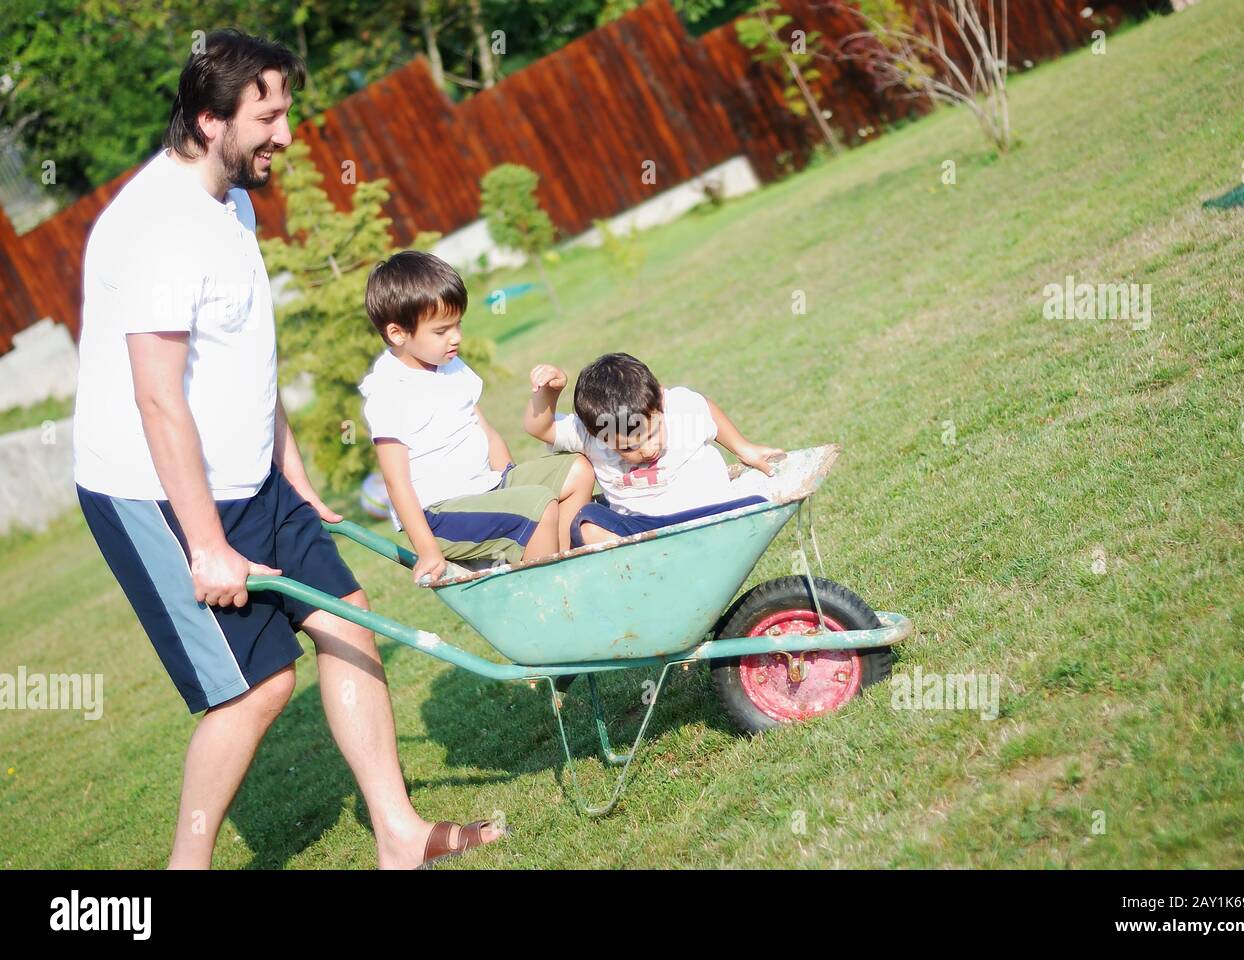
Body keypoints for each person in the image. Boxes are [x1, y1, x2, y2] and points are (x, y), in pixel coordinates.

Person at [72, 30, 503, 869]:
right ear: (207, 119)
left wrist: (292, 470)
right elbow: (158, 397)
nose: (286, 135)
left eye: (287, 113)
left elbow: (240, 355)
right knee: (257, 688)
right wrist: (206, 545)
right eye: (267, 117)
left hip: (255, 476)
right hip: (157, 495)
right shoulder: (156, 227)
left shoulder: (230, 199)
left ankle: (401, 836)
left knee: (350, 625)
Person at [359, 251, 594, 586]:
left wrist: (511, 480)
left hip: (485, 488)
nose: (456, 337)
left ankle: (573, 563)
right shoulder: (389, 391)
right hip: (440, 516)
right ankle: (551, 592)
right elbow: (396, 482)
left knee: (577, 470)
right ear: (398, 334)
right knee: (538, 506)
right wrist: (427, 550)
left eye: (458, 324)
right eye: (441, 330)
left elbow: (485, 431)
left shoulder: (449, 363)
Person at [522, 352, 783, 547]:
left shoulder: (680, 408)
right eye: (628, 447)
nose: (647, 451)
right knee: (586, 520)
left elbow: (706, 408)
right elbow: (539, 427)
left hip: (706, 514)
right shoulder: (592, 434)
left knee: (757, 506)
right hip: (641, 532)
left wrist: (743, 448)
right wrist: (550, 392)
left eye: (652, 434)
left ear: (661, 401)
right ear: (595, 433)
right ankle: (640, 570)